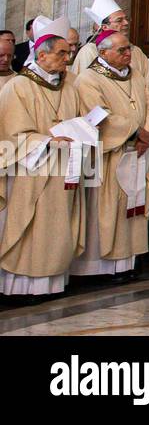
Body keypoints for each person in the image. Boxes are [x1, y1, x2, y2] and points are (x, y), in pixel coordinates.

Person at [0, 17, 83, 296]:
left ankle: (51, 284)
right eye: (61, 53)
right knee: (32, 226)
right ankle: (22, 288)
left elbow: (80, 118)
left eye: (68, 53)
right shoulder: (19, 86)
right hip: (31, 170)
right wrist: (48, 141)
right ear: (41, 54)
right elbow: (11, 133)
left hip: (64, 166)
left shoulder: (69, 85)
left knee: (57, 225)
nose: (67, 58)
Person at [70, 29, 149, 282]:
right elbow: (98, 115)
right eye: (121, 50)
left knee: (134, 206)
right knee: (109, 208)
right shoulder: (88, 79)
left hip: (139, 151)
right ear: (103, 52)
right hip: (111, 154)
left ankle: (128, 261)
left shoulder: (137, 75)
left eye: (128, 48)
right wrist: (136, 133)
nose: (128, 53)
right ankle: (101, 266)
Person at [71, 0, 149, 89]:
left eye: (126, 19)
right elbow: (84, 88)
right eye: (119, 20)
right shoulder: (89, 51)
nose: (126, 23)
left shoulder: (137, 52)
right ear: (104, 27)